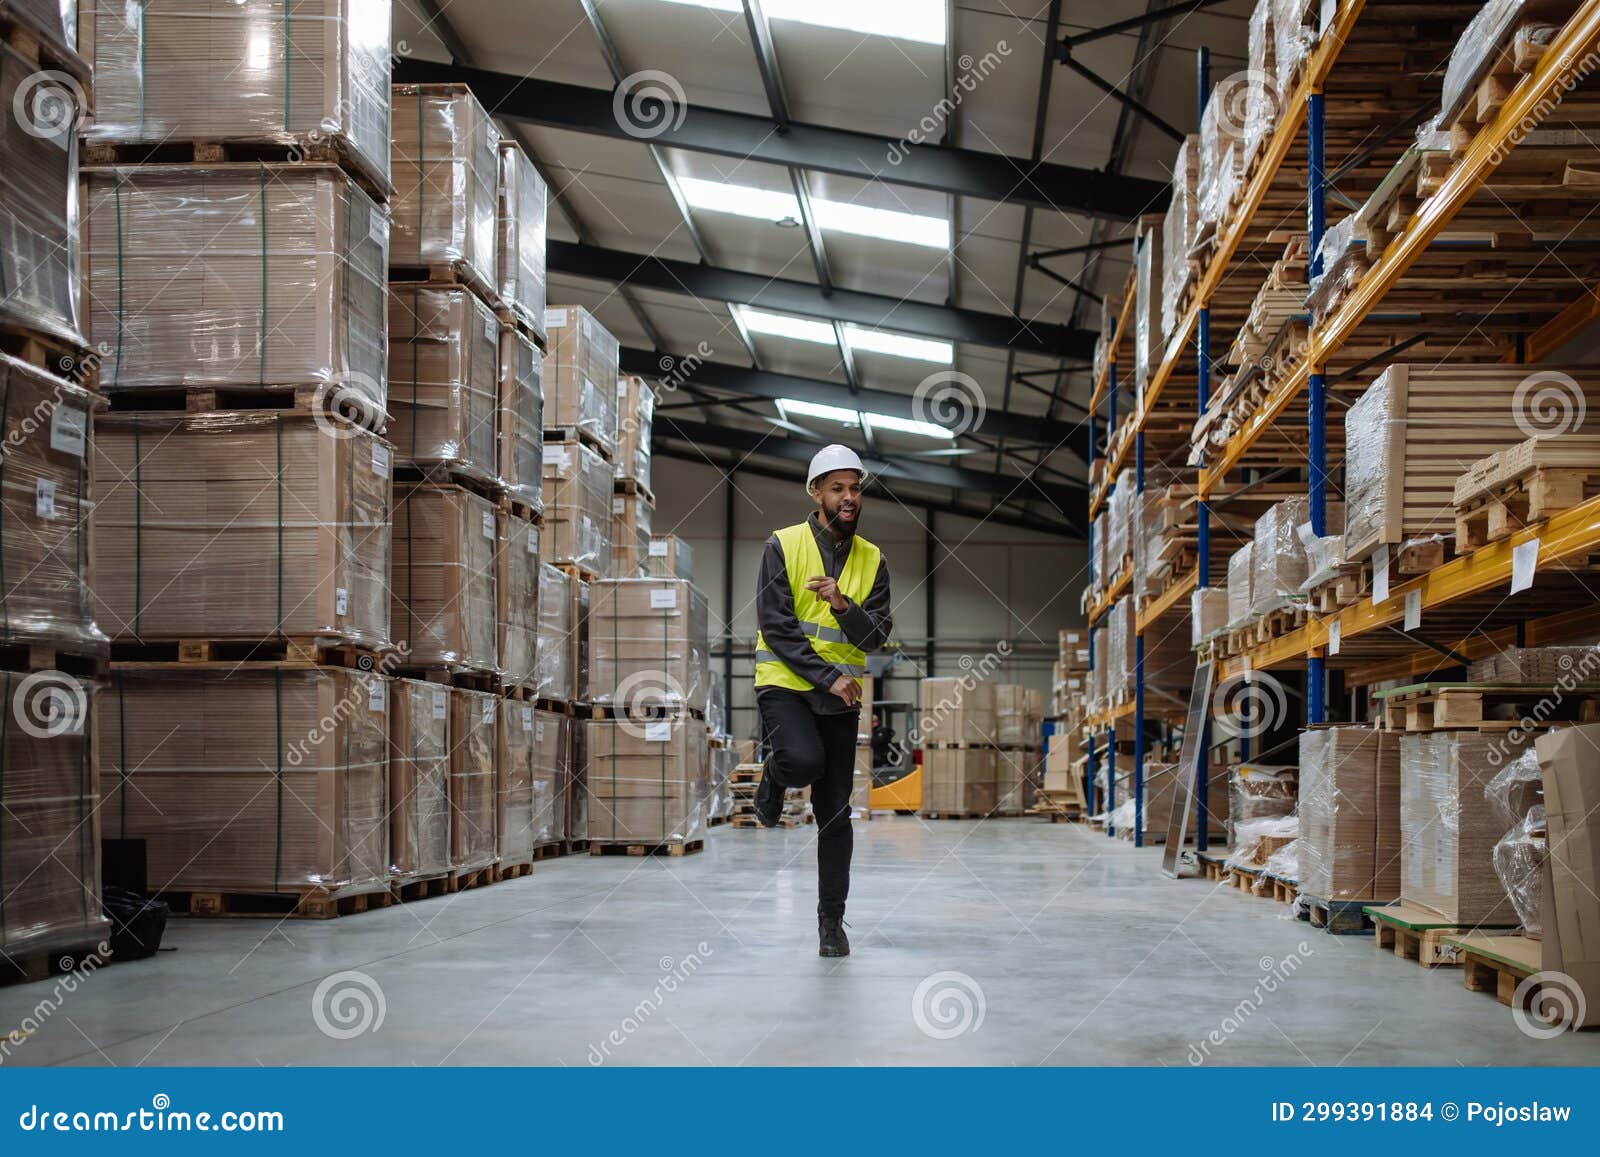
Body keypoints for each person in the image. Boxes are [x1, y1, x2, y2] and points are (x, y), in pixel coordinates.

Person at [752, 444, 892, 957]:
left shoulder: (873, 559)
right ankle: (775, 771)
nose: (849, 497)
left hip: (840, 698)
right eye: (838, 488)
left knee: (834, 813)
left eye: (855, 488)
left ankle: (831, 924)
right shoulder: (783, 545)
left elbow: (876, 636)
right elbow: (776, 625)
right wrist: (825, 676)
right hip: (786, 681)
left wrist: (842, 604)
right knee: (799, 759)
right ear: (816, 493)